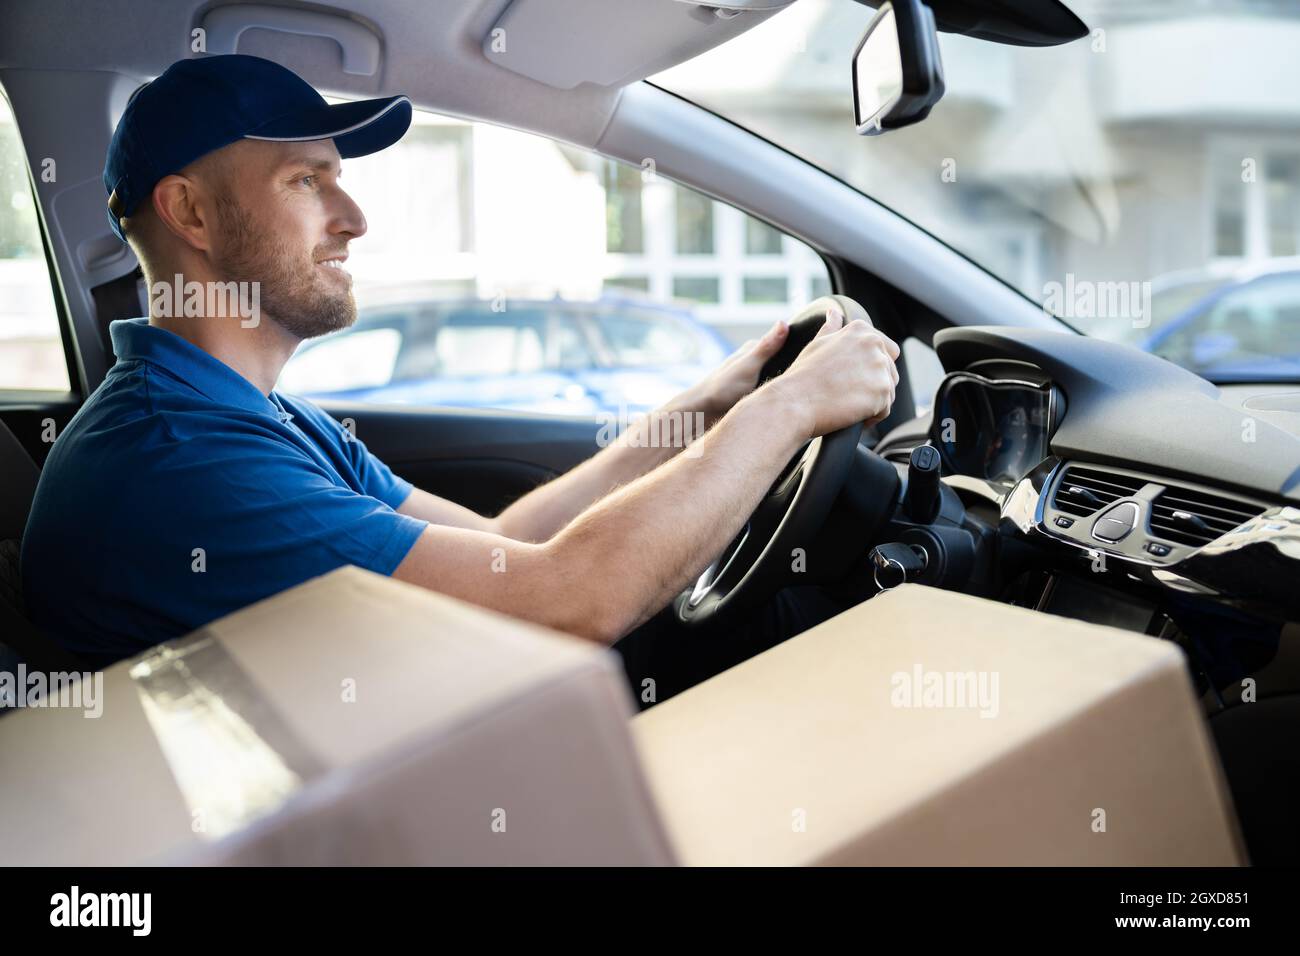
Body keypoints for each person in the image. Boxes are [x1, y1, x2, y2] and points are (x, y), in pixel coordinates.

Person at [22, 55, 899, 704]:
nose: (354, 218)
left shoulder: (257, 418)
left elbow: (504, 543)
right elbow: (566, 601)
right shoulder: (179, 459)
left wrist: (706, 411)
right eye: (307, 181)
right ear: (191, 212)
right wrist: (790, 408)